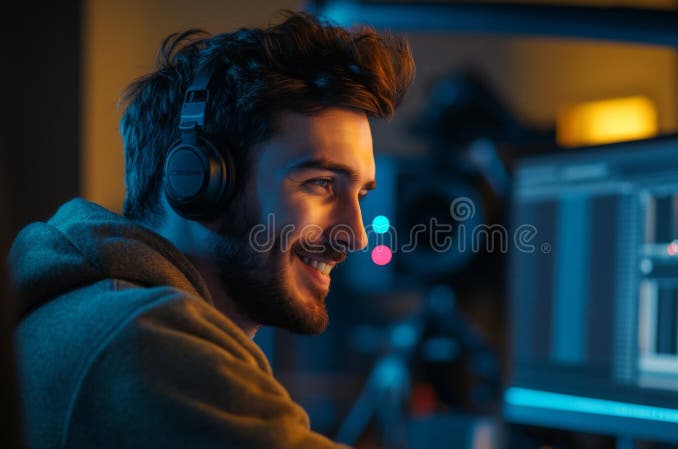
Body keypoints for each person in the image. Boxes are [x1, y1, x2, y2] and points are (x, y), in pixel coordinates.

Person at [9, 11, 414, 449]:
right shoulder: (145, 342)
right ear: (199, 181)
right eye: (321, 183)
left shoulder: (95, 311)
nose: (355, 235)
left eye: (361, 194)